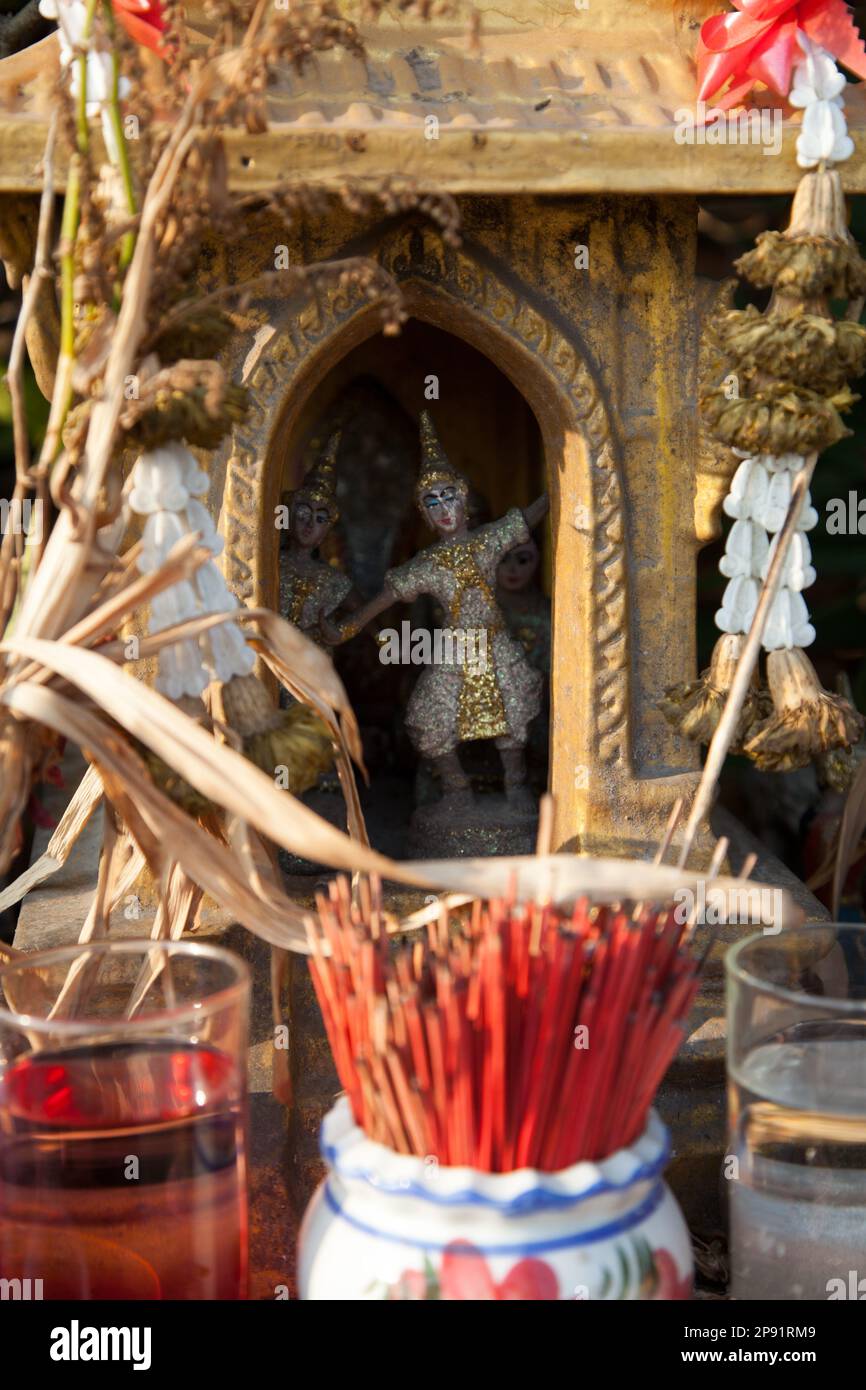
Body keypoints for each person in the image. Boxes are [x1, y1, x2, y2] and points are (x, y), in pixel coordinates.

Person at [322, 410, 548, 815]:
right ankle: (457, 788)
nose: (443, 507)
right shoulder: (426, 564)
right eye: (432, 501)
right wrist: (343, 630)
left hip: (495, 644)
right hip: (453, 652)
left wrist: (572, 481)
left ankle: (515, 785)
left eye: (448, 495)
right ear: (424, 514)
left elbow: (530, 517)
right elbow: (381, 601)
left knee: (513, 710)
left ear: (462, 496)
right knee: (425, 715)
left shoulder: (488, 541)